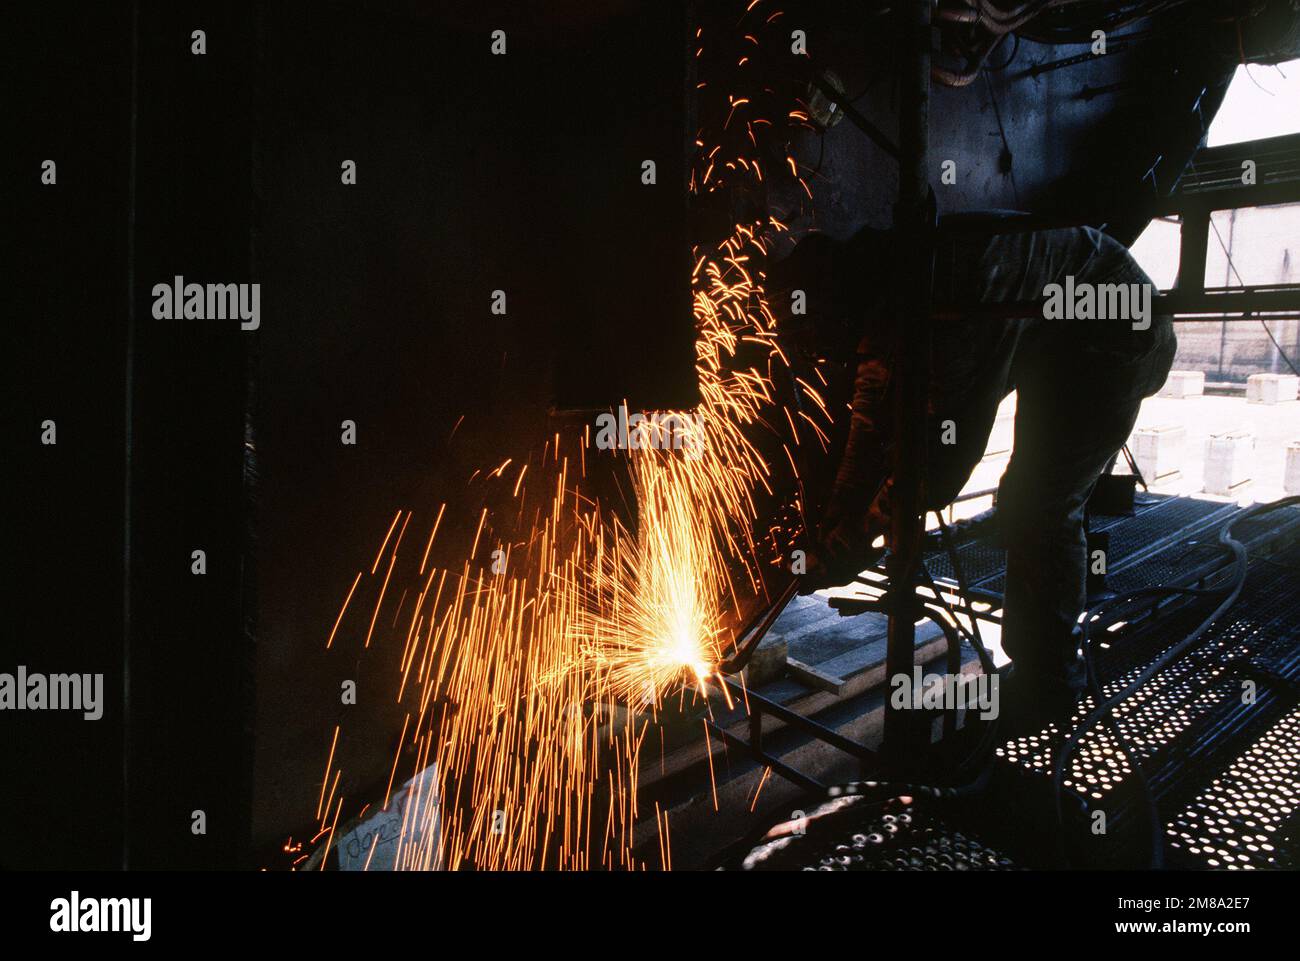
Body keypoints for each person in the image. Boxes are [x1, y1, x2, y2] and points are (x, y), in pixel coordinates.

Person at [774, 221, 1175, 715]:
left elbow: (942, 465)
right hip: (1055, 332)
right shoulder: (882, 294)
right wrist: (835, 521)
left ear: (838, 307)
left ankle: (1048, 681)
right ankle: (1042, 651)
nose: (822, 354)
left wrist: (861, 533)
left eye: (819, 339)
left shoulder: (950, 300)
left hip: (1118, 331)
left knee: (1039, 503)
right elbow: (867, 422)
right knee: (1024, 500)